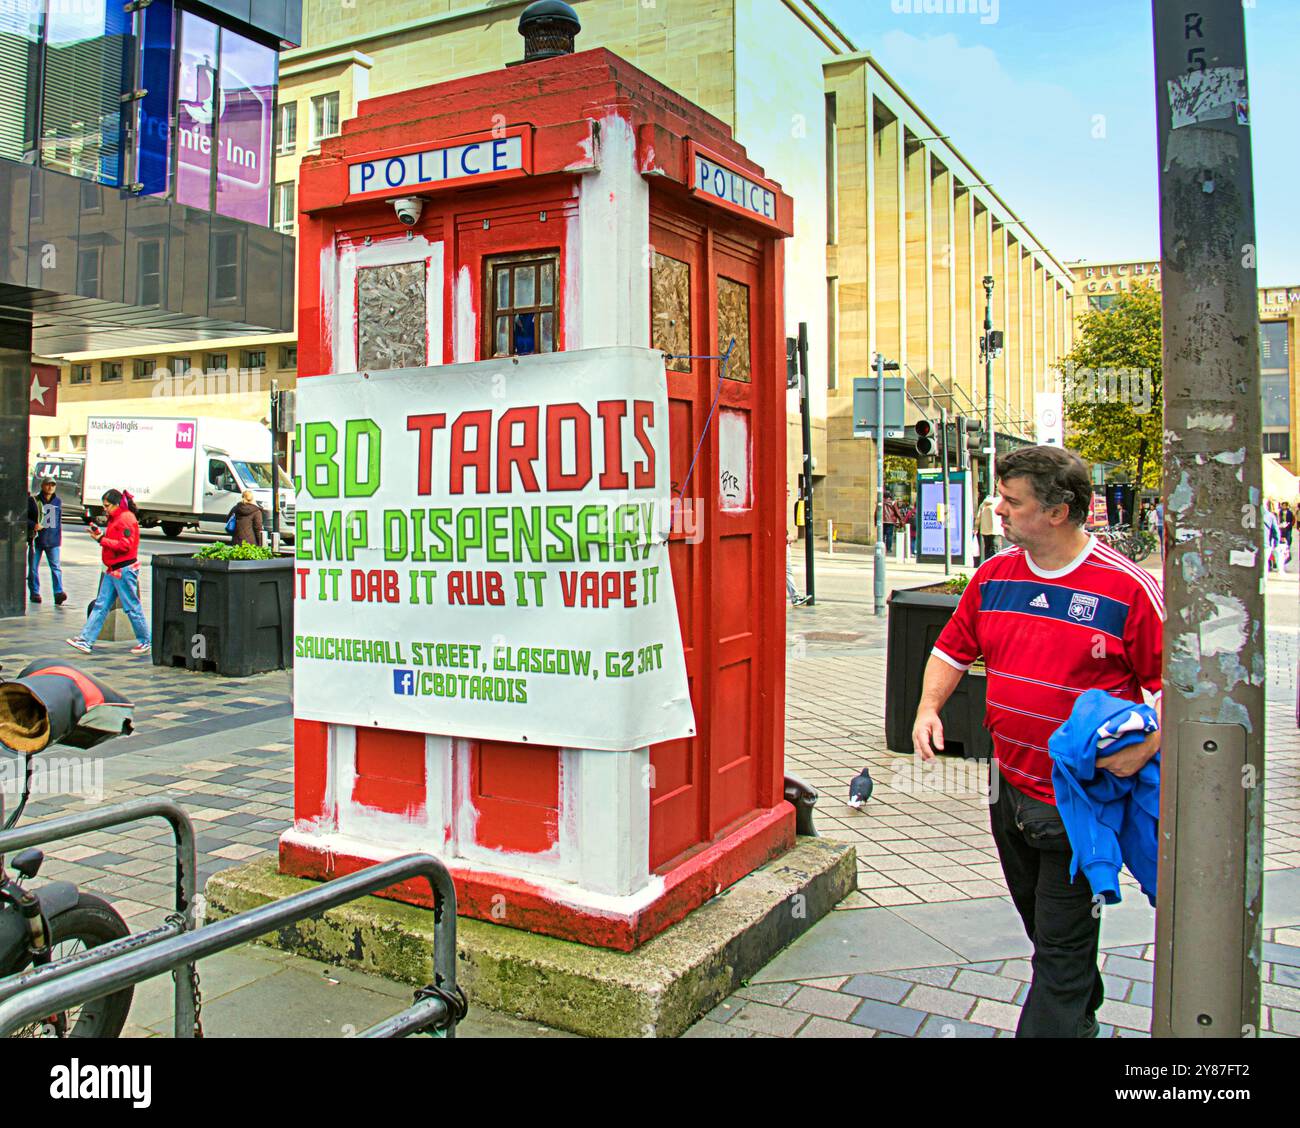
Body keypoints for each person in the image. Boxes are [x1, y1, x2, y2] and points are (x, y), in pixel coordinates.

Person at [911, 445, 1163, 1038]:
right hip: (1007, 786)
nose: (996, 509)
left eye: (1011, 500)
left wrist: (1147, 747)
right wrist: (927, 707)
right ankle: (1079, 1004)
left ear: (1058, 511)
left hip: (1077, 800)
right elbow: (953, 647)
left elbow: (1172, 685)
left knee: (1057, 948)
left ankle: (1064, 1019)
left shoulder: (1128, 590)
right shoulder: (995, 576)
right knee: (1045, 930)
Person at [67, 489, 151, 656]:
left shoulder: (125, 518)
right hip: (114, 569)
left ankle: (146, 640)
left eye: (107, 506)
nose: (104, 509)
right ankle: (86, 640)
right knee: (101, 605)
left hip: (122, 569)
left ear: (116, 504)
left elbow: (125, 545)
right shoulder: (119, 517)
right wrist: (101, 536)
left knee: (130, 606)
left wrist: (101, 539)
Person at [28, 476, 66, 606]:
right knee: (33, 567)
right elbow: (24, 518)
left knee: (56, 568)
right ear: (42, 486)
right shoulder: (33, 500)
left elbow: (57, 522)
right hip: (37, 540)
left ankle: (58, 593)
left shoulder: (57, 501)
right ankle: (35, 592)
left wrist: (58, 539)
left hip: (53, 540)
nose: (50, 487)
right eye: (48, 484)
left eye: (53, 485)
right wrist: (33, 525)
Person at [974, 492, 1002, 565]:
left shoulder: (983, 504)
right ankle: (995, 564)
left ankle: (988, 564)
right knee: (995, 548)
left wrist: (976, 527)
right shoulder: (999, 503)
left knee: (987, 547)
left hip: (985, 529)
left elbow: (978, 517)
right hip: (996, 529)